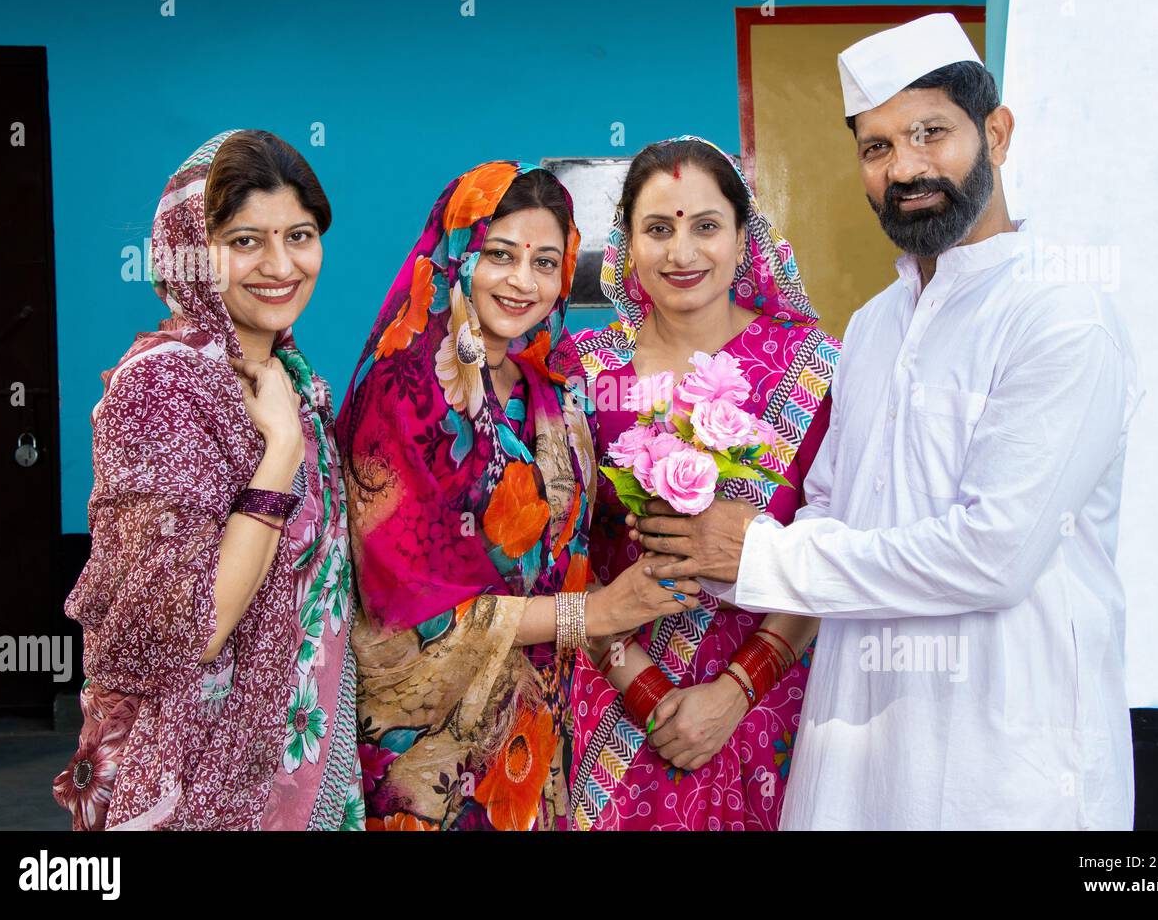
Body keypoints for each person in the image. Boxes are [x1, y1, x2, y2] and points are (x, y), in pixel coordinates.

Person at [635, 14, 1141, 830]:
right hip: (861, 748)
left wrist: (761, 550)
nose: (905, 167)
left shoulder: (1060, 319)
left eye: (930, 133)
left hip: (1006, 755)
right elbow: (834, 508)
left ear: (998, 133)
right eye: (877, 147)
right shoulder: (873, 326)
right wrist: (711, 550)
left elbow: (992, 556)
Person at [338, 162, 698, 831]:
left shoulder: (554, 396)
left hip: (535, 740)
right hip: (426, 761)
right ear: (455, 258)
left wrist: (693, 503)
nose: (522, 282)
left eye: (544, 262)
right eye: (499, 255)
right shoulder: (402, 397)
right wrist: (587, 616)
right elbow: (403, 613)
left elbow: (585, 537)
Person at [53, 130, 364, 830]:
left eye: (301, 234)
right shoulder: (165, 385)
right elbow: (194, 630)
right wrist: (278, 451)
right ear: (191, 249)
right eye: (245, 241)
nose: (281, 265)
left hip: (298, 758)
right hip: (200, 782)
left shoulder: (294, 378)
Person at [568, 136, 840, 830]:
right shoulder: (580, 371)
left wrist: (734, 692)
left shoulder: (813, 367)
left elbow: (836, 547)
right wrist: (645, 687)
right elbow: (550, 551)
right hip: (607, 694)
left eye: (706, 227)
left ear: (744, 239)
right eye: (658, 229)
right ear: (627, 242)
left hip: (763, 704)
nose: (681, 253)